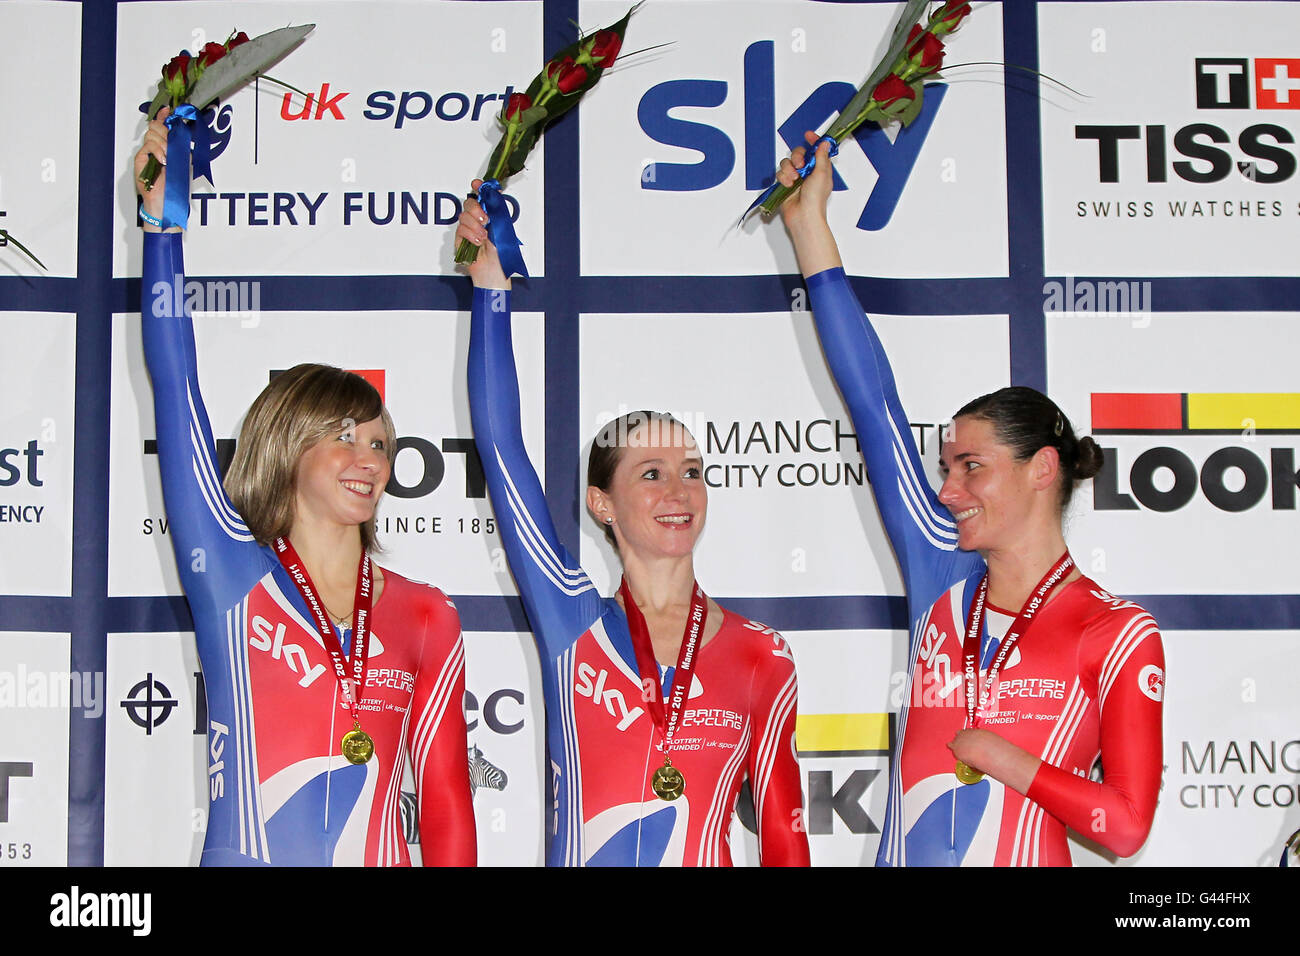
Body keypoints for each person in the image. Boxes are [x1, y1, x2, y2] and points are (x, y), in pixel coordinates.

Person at [776, 134, 1164, 866]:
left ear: (1042, 470)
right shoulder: (941, 577)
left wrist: (1007, 759)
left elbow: (1126, 827)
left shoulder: (1116, 633)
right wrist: (808, 227)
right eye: (946, 468)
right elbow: (872, 401)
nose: (947, 491)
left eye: (971, 468)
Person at [134, 109, 475, 866]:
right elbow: (175, 386)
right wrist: (163, 236)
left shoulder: (426, 614)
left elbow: (448, 802)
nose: (369, 457)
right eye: (344, 436)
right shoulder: (230, 573)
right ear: (288, 446)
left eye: (381, 442)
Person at [458, 187, 810, 866]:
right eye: (650, 474)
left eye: (692, 471)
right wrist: (488, 293)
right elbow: (500, 444)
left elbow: (786, 839)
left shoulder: (764, 654)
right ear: (602, 504)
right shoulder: (572, 620)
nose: (678, 492)